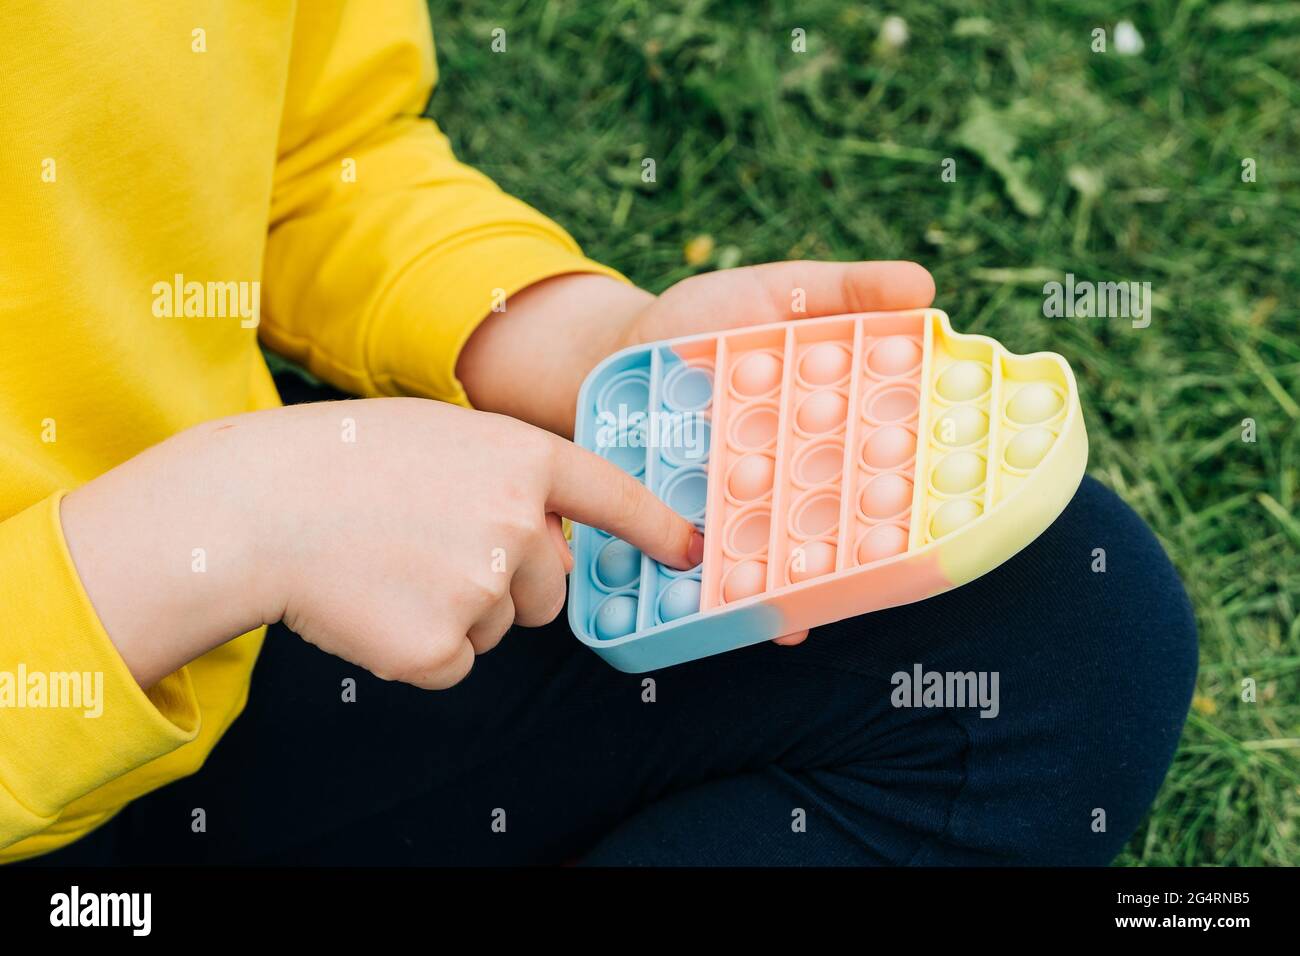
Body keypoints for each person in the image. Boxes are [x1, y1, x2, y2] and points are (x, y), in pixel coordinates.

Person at [2, 1, 1196, 865]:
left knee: (1060, 633)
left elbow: (310, 157)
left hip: (221, 629)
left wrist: (583, 344)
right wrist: (211, 532)